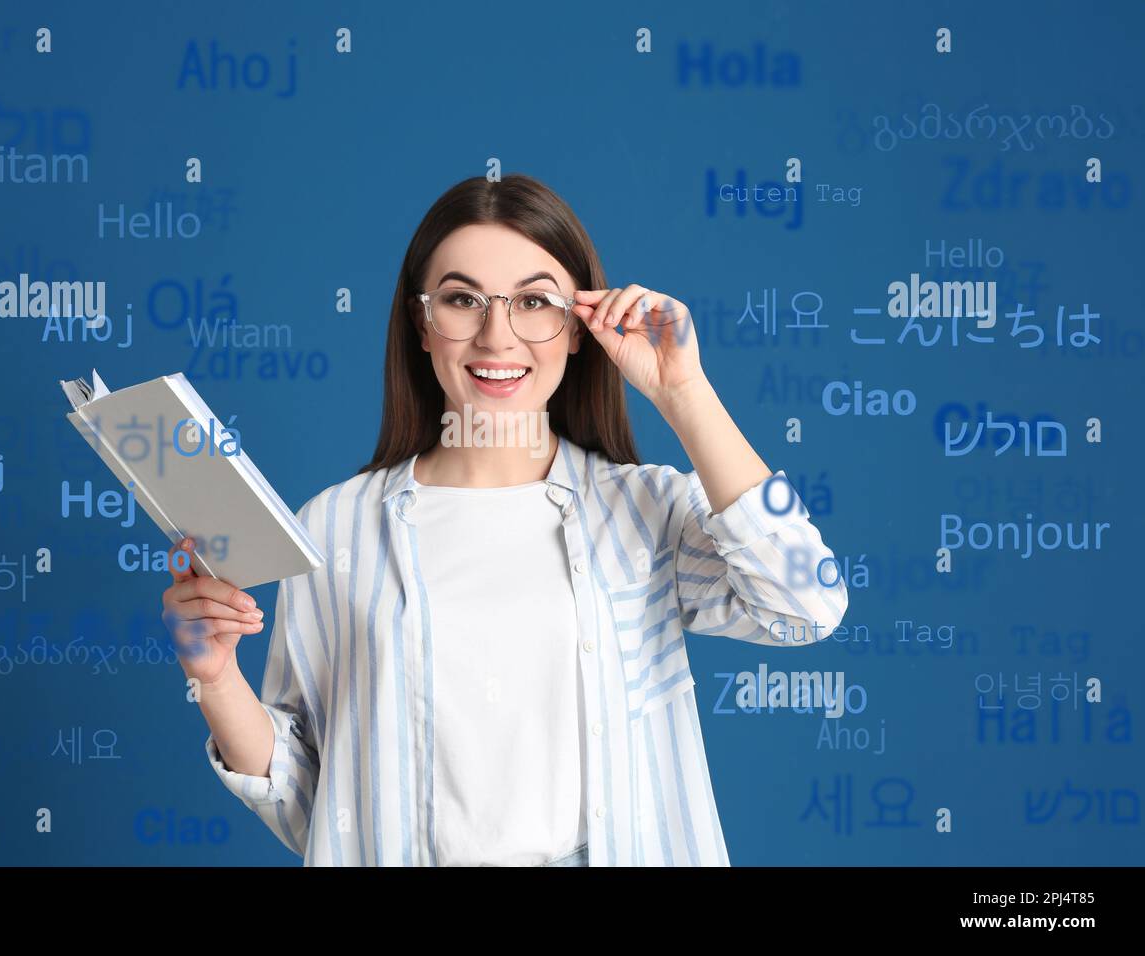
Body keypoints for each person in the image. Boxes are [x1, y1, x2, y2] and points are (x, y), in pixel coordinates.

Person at [160, 173, 849, 867]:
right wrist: (216, 679)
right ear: (421, 324)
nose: (498, 337)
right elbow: (314, 802)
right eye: (462, 300)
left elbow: (806, 605)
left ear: (576, 328)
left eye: (534, 302)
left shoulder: (643, 510)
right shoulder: (337, 526)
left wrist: (684, 390)